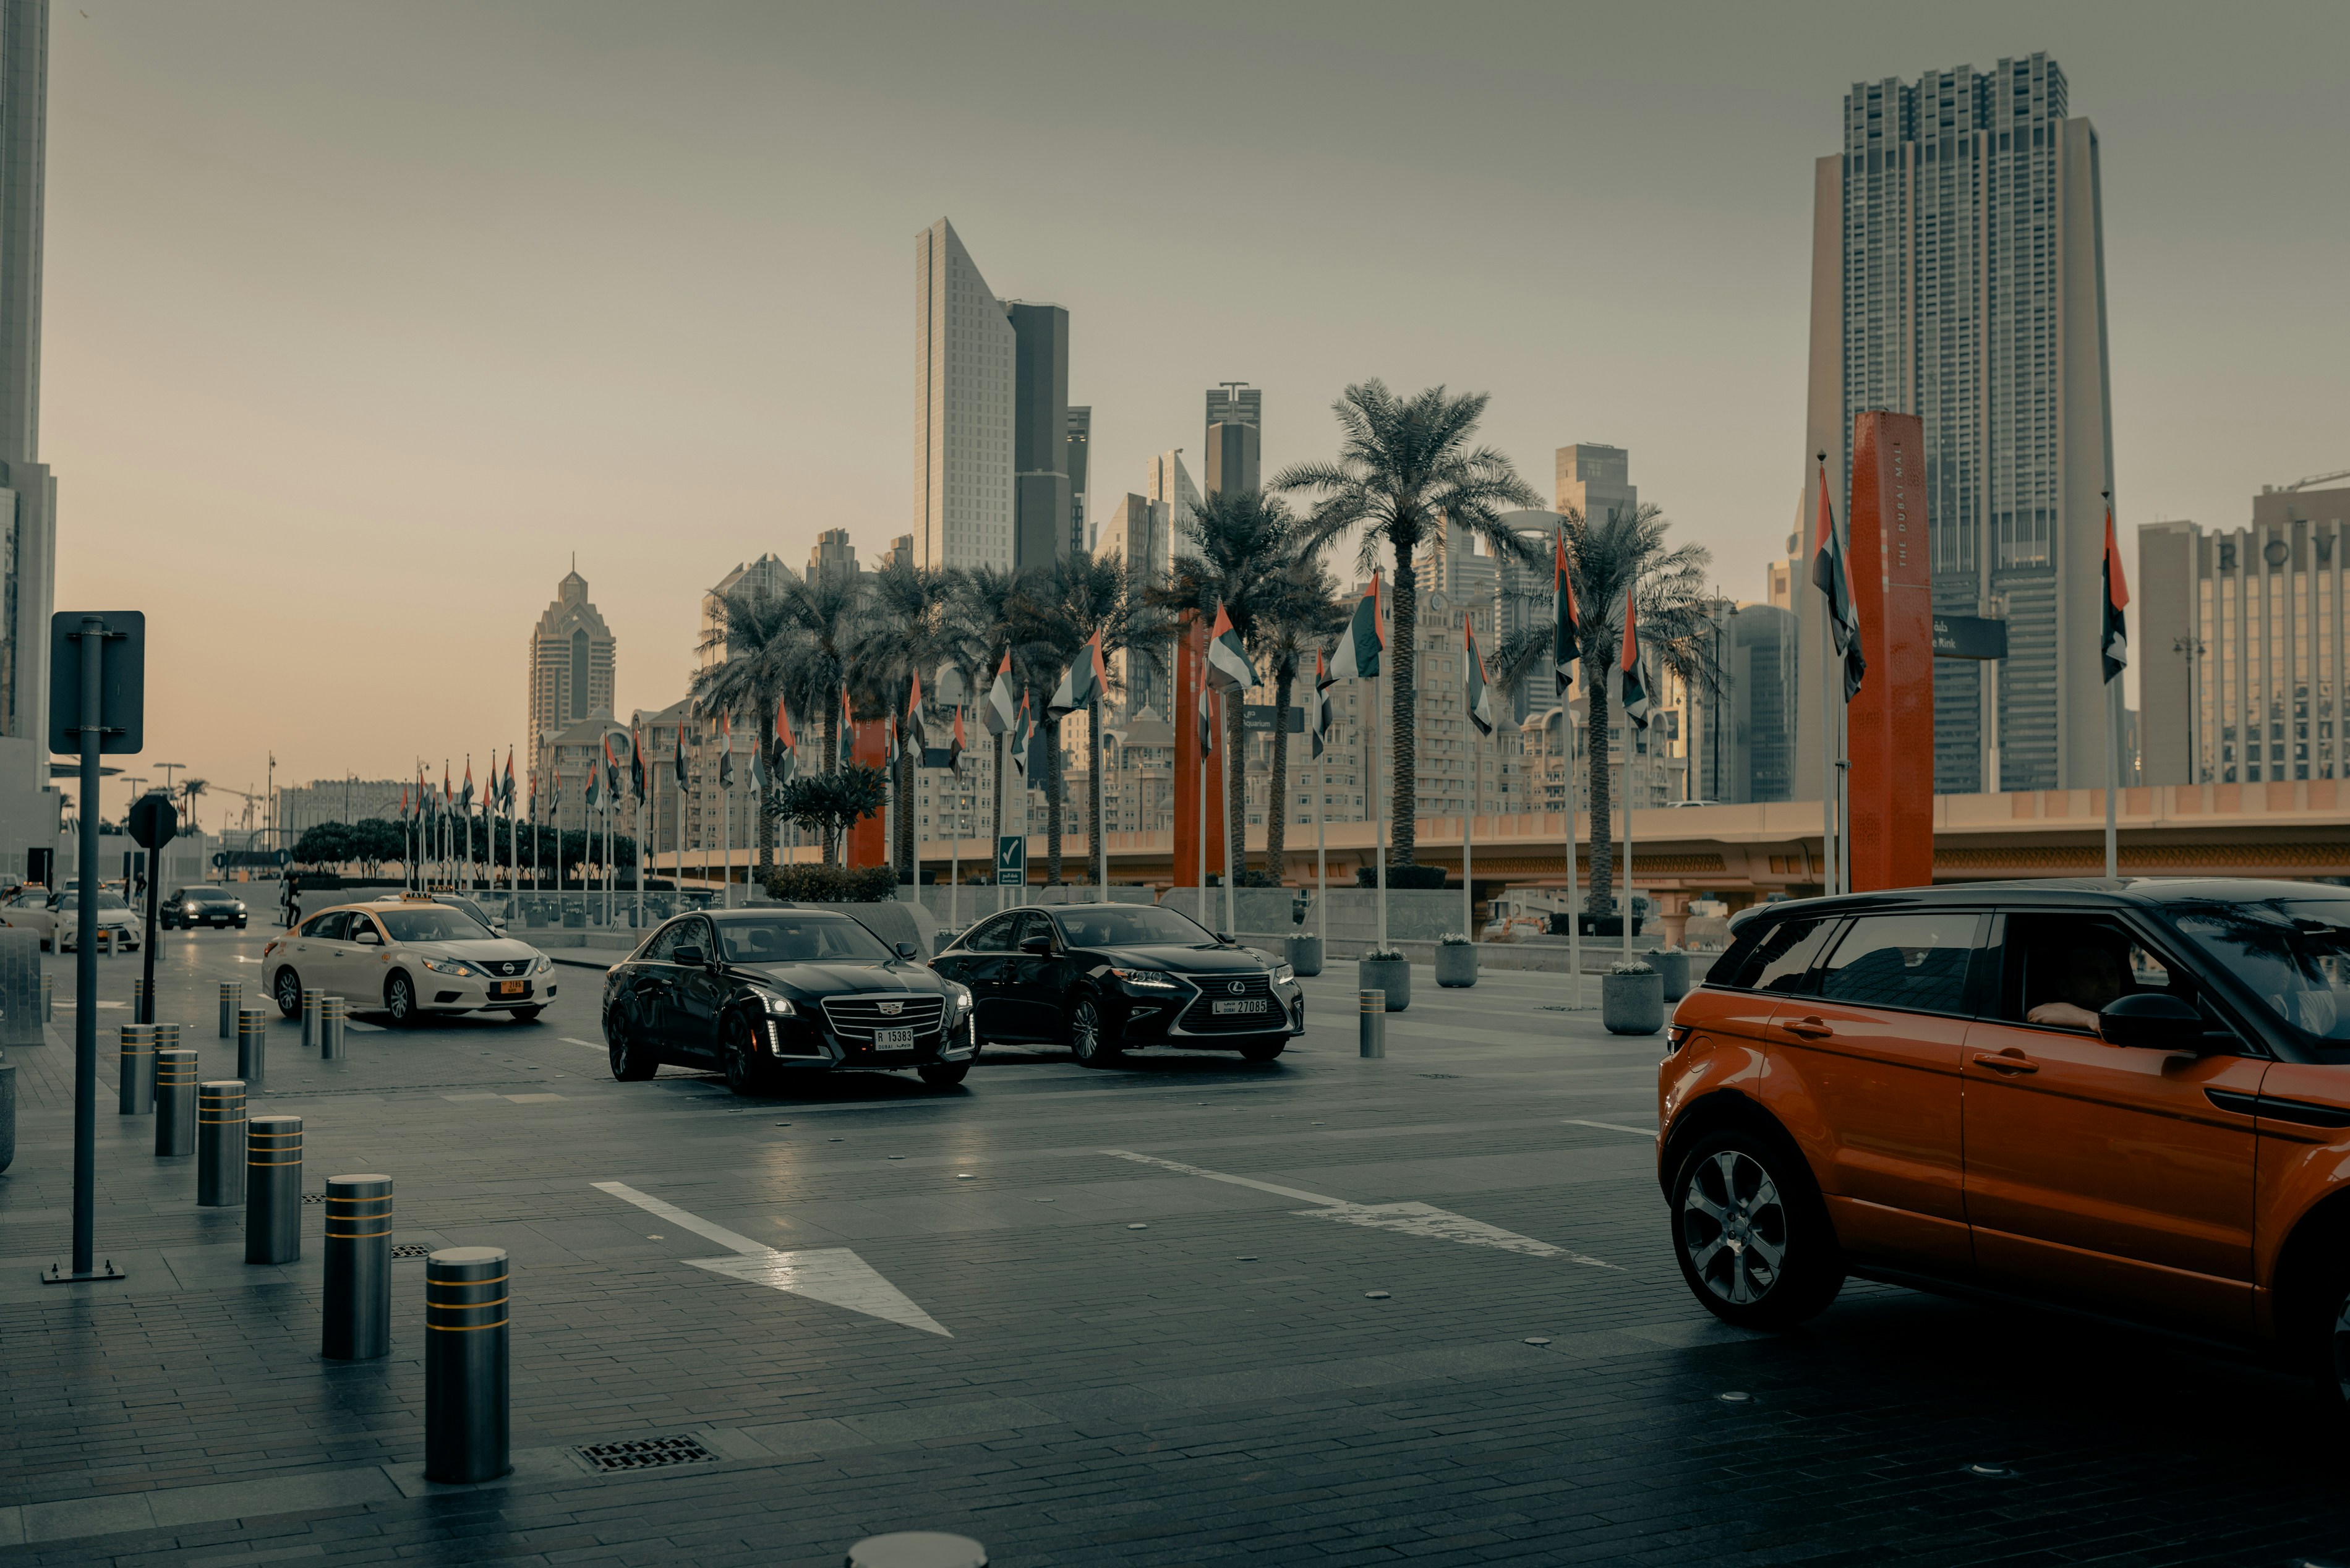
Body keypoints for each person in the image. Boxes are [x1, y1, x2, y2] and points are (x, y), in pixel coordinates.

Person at [2026, 945, 2124, 1034]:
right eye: (2093, 975)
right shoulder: (2056, 1016)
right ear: (2064, 987)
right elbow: (2036, 1014)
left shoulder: (2128, 1012)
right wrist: (2095, 1020)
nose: (2107, 984)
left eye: (2112, 974)